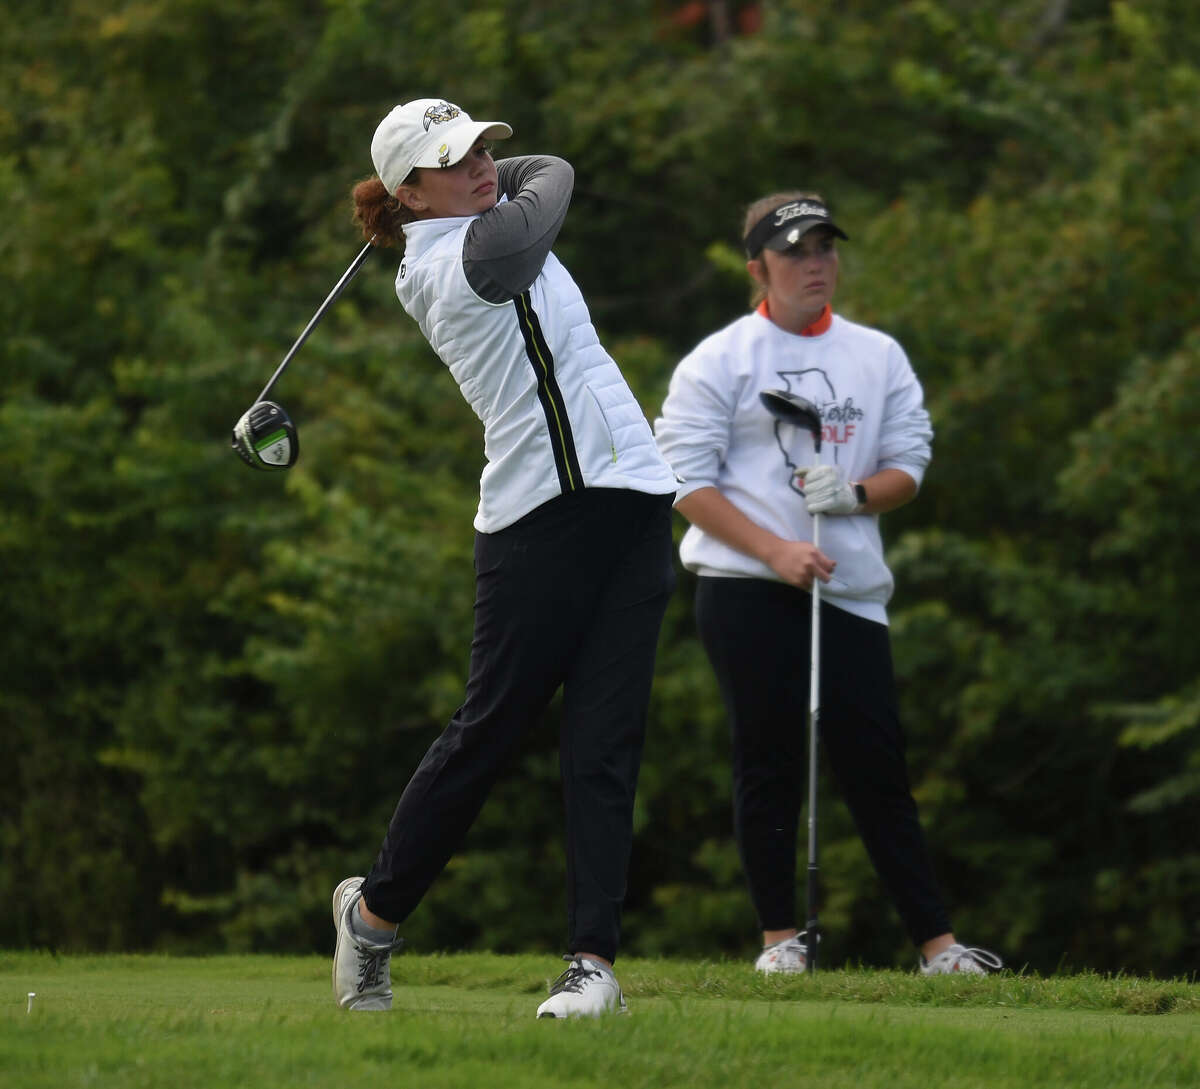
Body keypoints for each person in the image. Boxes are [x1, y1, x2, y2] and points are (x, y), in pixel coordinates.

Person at [332, 98, 678, 1017]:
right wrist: (506, 185)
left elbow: (535, 175)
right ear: (410, 192)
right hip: (538, 522)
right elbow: (554, 173)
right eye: (455, 158)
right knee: (488, 734)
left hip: (637, 501)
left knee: (606, 742)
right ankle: (371, 917)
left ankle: (591, 964)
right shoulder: (461, 259)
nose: (484, 165)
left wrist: (479, 179)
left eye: (484, 147)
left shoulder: (483, 225)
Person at [653, 192, 1001, 976]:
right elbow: (682, 481)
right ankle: (781, 940)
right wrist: (775, 549)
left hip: (848, 588)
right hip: (746, 584)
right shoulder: (720, 360)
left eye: (825, 248)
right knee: (767, 760)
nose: (815, 263)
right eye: (795, 252)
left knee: (877, 765)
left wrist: (856, 494)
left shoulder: (876, 356)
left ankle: (938, 946)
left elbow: (909, 461)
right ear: (758, 268)